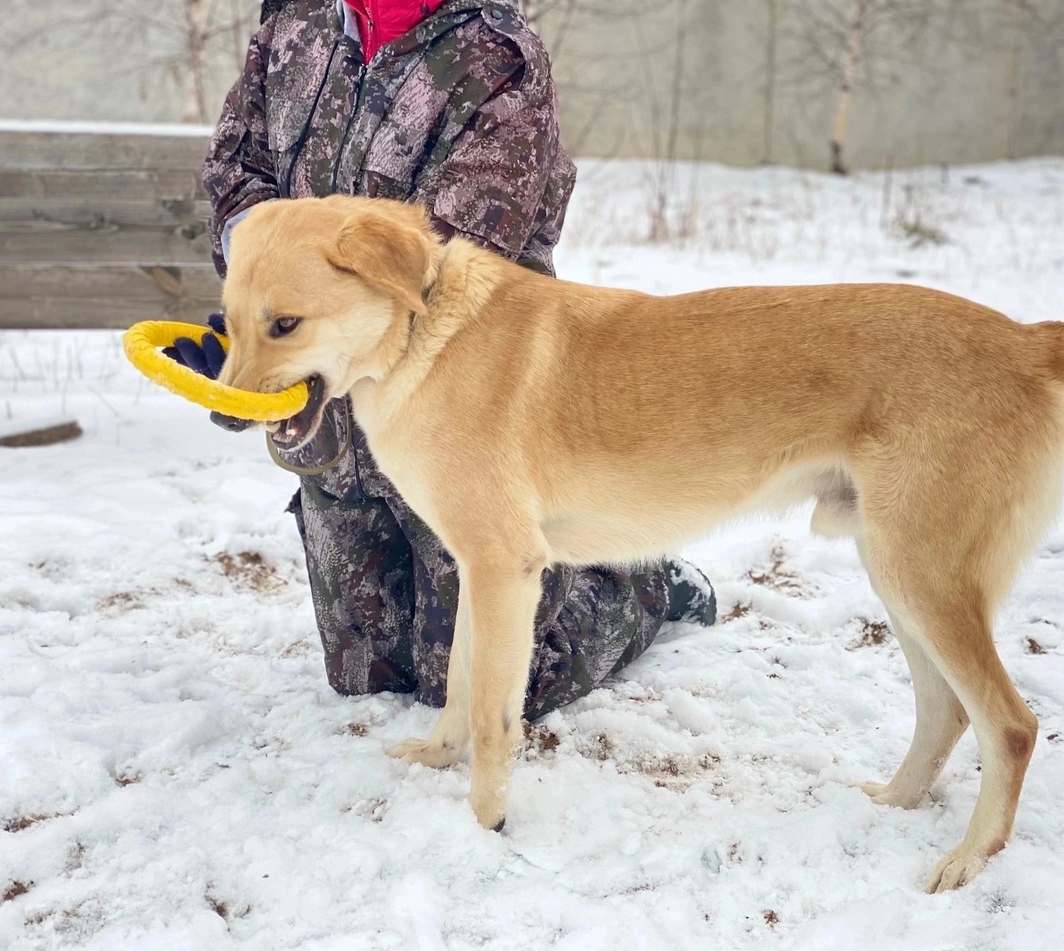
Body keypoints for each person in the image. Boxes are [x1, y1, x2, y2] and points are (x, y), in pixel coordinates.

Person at [177, 0, 717, 720]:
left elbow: (442, 258)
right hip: (336, 420)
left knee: (479, 683)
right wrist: (256, 332)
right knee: (364, 676)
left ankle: (635, 584)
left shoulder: (498, 54)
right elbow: (236, 170)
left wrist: (284, 335)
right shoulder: (295, 22)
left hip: (462, 406)